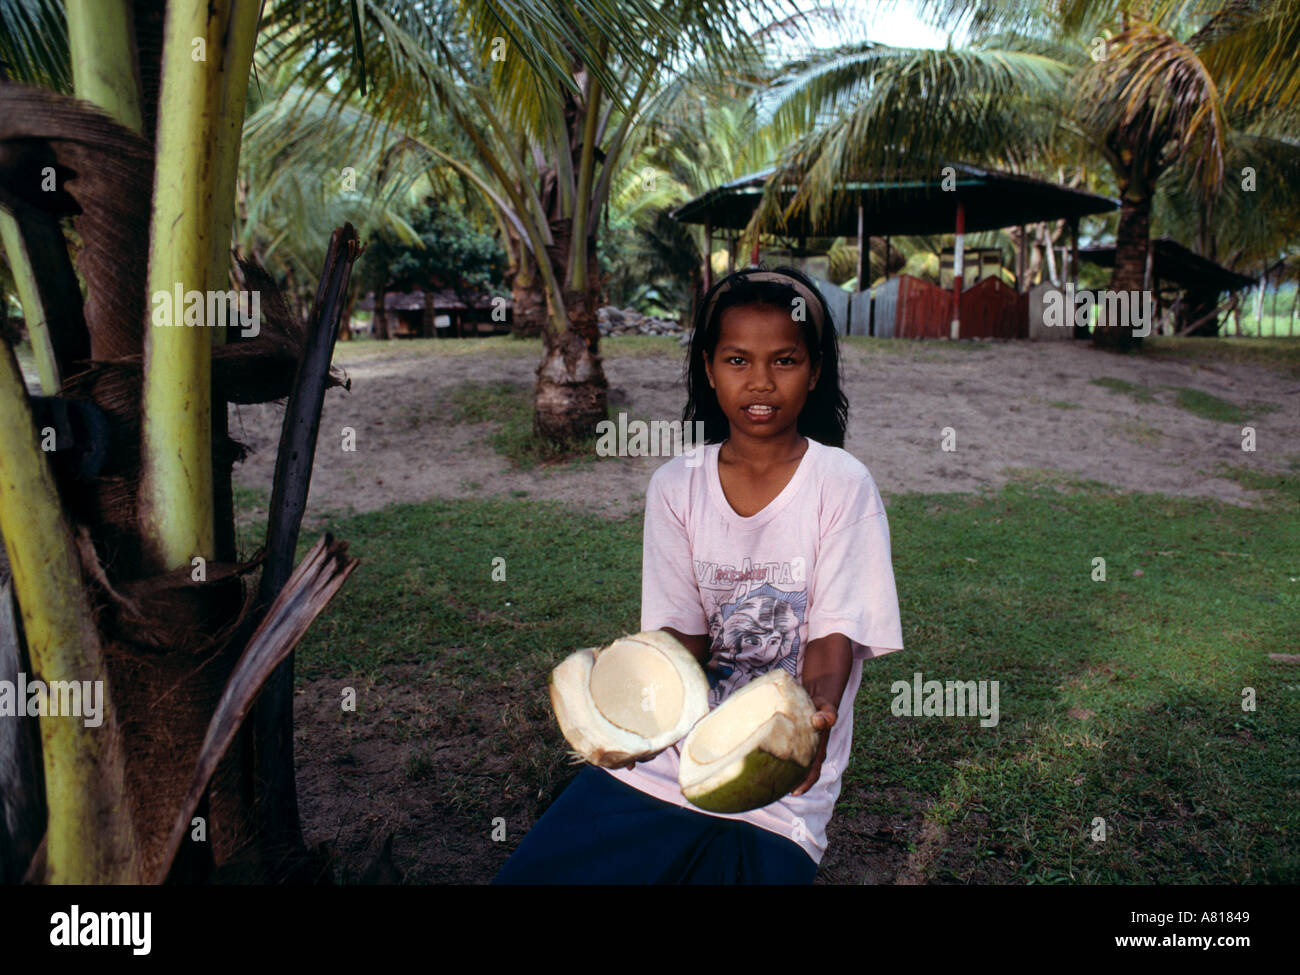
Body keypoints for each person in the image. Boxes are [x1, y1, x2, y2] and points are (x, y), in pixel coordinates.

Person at [493, 265, 904, 884]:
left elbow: (833, 636)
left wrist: (815, 717)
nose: (760, 381)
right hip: (669, 763)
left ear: (814, 372)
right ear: (709, 369)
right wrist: (630, 702)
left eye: (784, 361)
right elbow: (681, 639)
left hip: (783, 780)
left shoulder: (842, 486)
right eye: (738, 360)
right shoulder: (676, 487)